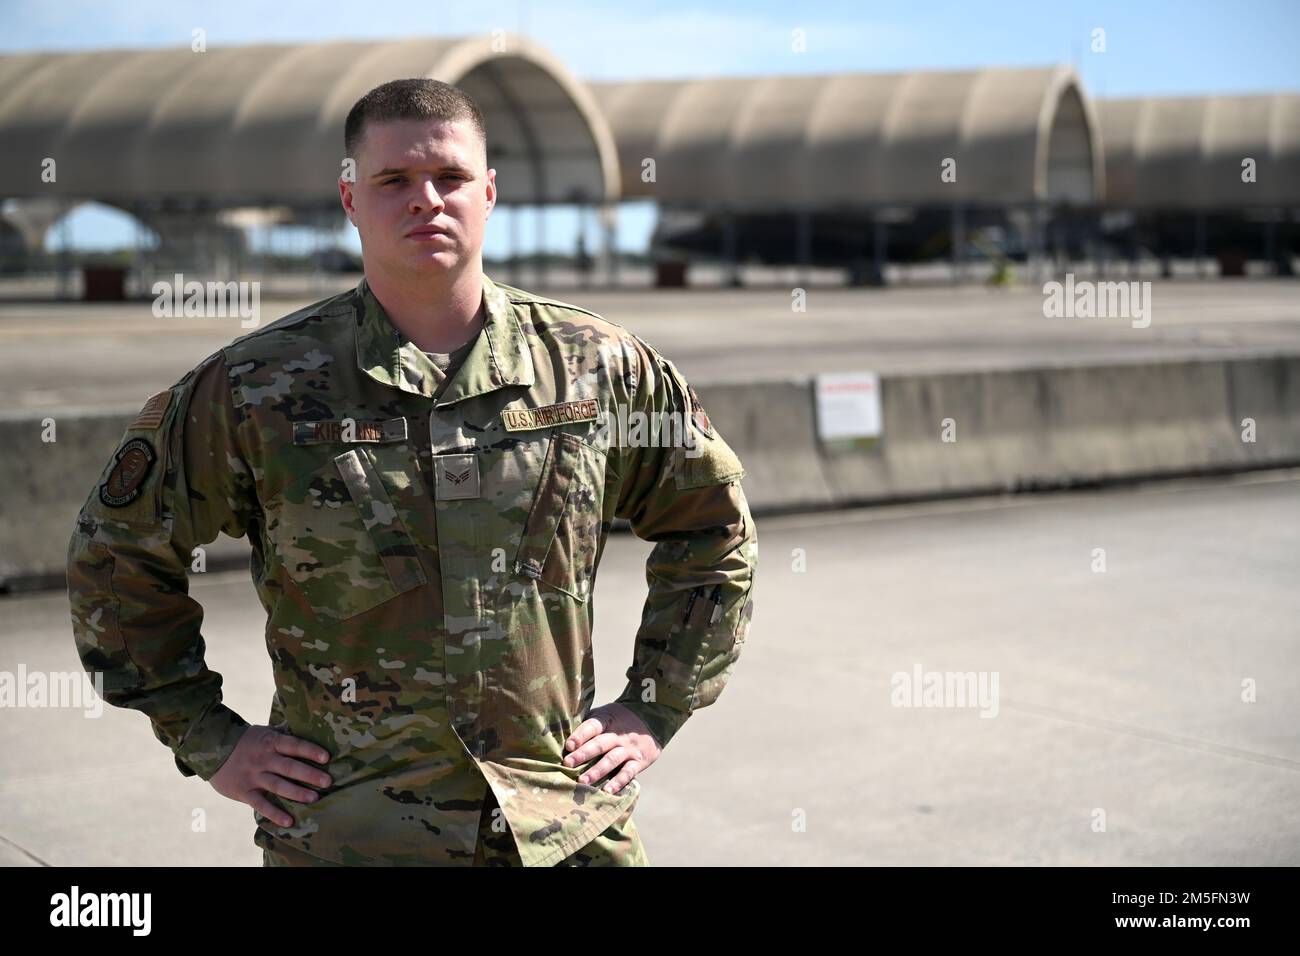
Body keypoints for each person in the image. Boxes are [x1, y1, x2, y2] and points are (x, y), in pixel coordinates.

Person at [66, 78, 757, 867]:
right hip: (351, 839)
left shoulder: (600, 370)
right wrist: (208, 737)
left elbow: (714, 528)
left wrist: (654, 706)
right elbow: (115, 552)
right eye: (394, 180)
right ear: (351, 198)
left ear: (489, 193)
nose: (425, 200)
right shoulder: (258, 386)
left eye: (451, 179)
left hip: (560, 828)